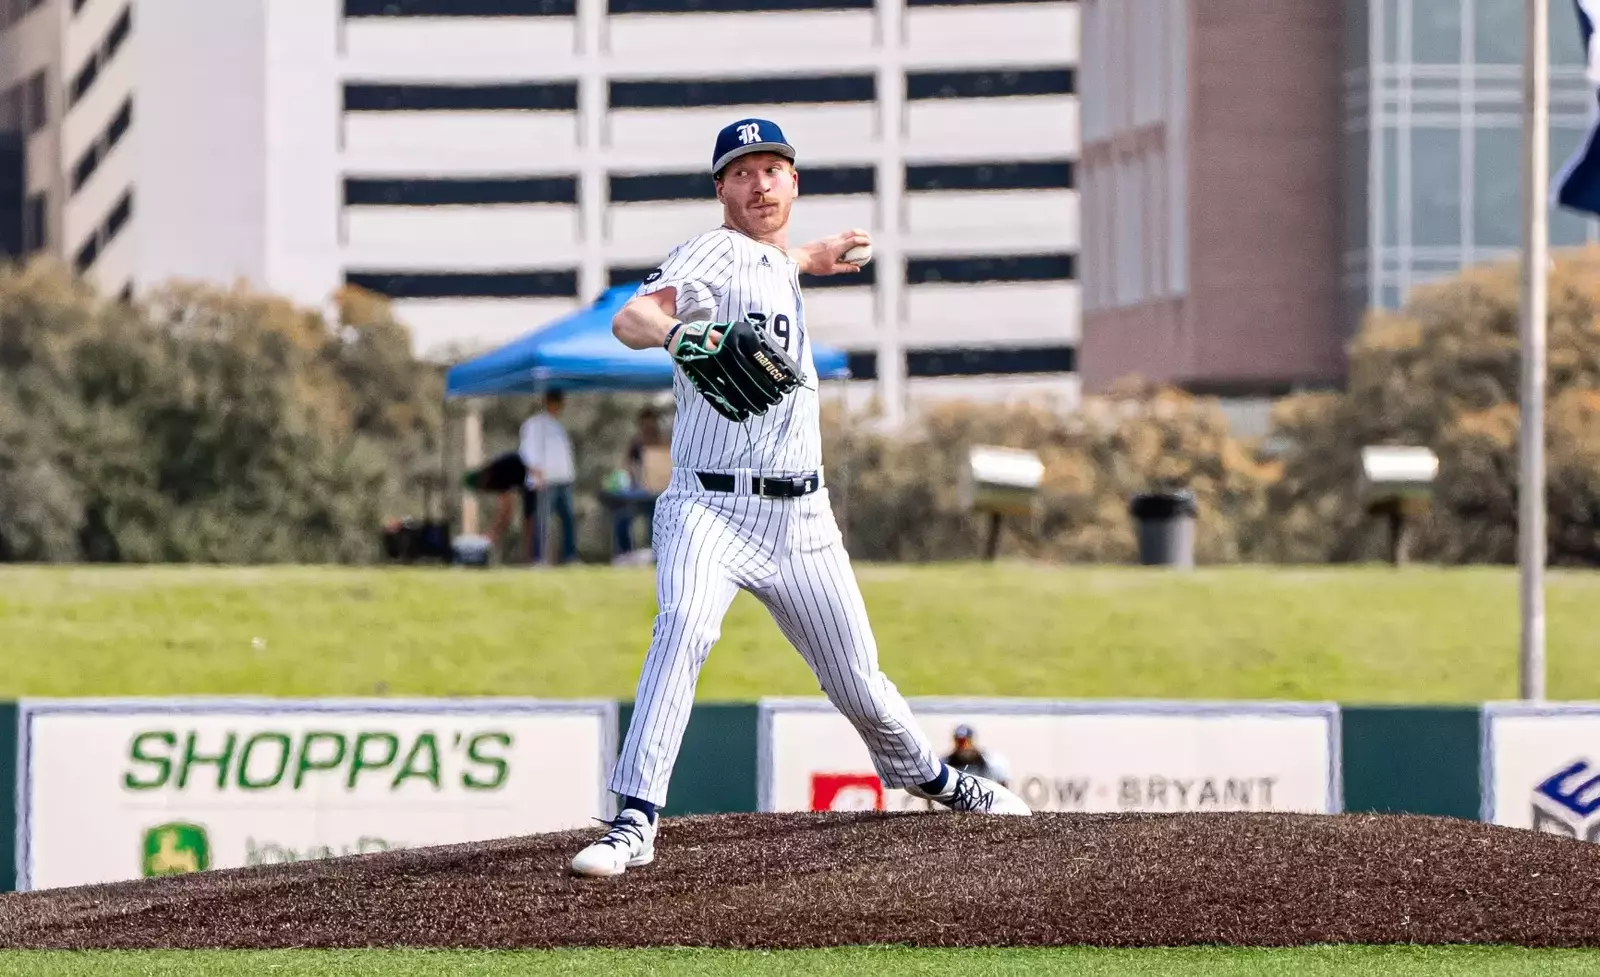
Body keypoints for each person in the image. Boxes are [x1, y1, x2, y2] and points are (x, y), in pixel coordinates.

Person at [569, 117, 1030, 879]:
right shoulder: (711, 250)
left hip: (801, 519)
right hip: (709, 508)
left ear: (794, 182)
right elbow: (633, 316)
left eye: (772, 169)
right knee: (682, 627)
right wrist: (684, 339)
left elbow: (773, 259)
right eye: (742, 172)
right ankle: (634, 820)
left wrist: (811, 256)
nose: (758, 183)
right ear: (719, 188)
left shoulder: (771, 256)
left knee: (861, 684)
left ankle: (932, 776)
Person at [518, 390, 577, 565]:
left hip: (563, 480)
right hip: (546, 481)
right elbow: (526, 452)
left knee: (568, 519)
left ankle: (569, 555)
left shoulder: (557, 426)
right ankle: (538, 557)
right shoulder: (534, 424)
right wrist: (536, 473)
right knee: (542, 520)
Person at [613, 406, 670, 555]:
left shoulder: (664, 441)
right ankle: (625, 553)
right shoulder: (636, 442)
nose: (648, 427)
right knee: (623, 517)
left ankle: (657, 554)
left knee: (656, 520)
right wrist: (633, 478)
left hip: (659, 492)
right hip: (639, 491)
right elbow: (626, 463)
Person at [462, 450, 528, 555]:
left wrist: (493, 534)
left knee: (530, 519)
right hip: (526, 476)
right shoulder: (494, 472)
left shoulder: (497, 476)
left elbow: (507, 511)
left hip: (533, 476)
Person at [943, 724, 1011, 789]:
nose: (963, 748)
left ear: (973, 741)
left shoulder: (992, 763)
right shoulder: (945, 765)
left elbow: (1005, 789)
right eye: (959, 743)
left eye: (967, 743)